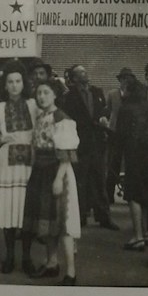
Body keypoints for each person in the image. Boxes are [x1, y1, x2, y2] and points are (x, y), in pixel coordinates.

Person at [23, 79, 81, 285]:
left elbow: (66, 154)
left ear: (54, 95)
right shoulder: (41, 117)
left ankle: (71, 272)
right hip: (40, 172)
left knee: (63, 223)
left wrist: (58, 179)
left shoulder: (62, 119)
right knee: (47, 222)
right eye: (39, 93)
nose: (42, 97)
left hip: (58, 172)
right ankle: (51, 263)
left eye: (46, 93)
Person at [0, 59, 37, 275]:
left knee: (26, 211)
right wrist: (1, 141)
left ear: (24, 83)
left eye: (18, 81)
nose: (14, 85)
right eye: (10, 82)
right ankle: (9, 256)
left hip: (29, 163)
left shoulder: (33, 105)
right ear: (4, 85)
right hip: (7, 164)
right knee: (9, 210)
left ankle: (27, 257)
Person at [62, 65, 118, 230]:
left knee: (100, 180)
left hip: (97, 142)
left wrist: (103, 118)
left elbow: (103, 111)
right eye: (81, 72)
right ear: (74, 78)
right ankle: (80, 217)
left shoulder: (97, 92)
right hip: (81, 143)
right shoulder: (69, 97)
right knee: (81, 181)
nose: (85, 74)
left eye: (85, 71)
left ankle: (104, 217)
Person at [116, 78, 148, 252]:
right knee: (146, 193)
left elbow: (119, 135)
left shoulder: (125, 109)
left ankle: (138, 236)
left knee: (133, 194)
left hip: (133, 153)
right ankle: (146, 233)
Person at [105, 67, 138, 204]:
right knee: (113, 163)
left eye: (128, 79)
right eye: (123, 78)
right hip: (114, 132)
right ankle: (108, 195)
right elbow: (107, 110)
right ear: (119, 80)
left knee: (130, 163)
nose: (125, 81)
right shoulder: (113, 94)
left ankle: (129, 195)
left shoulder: (134, 95)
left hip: (129, 133)